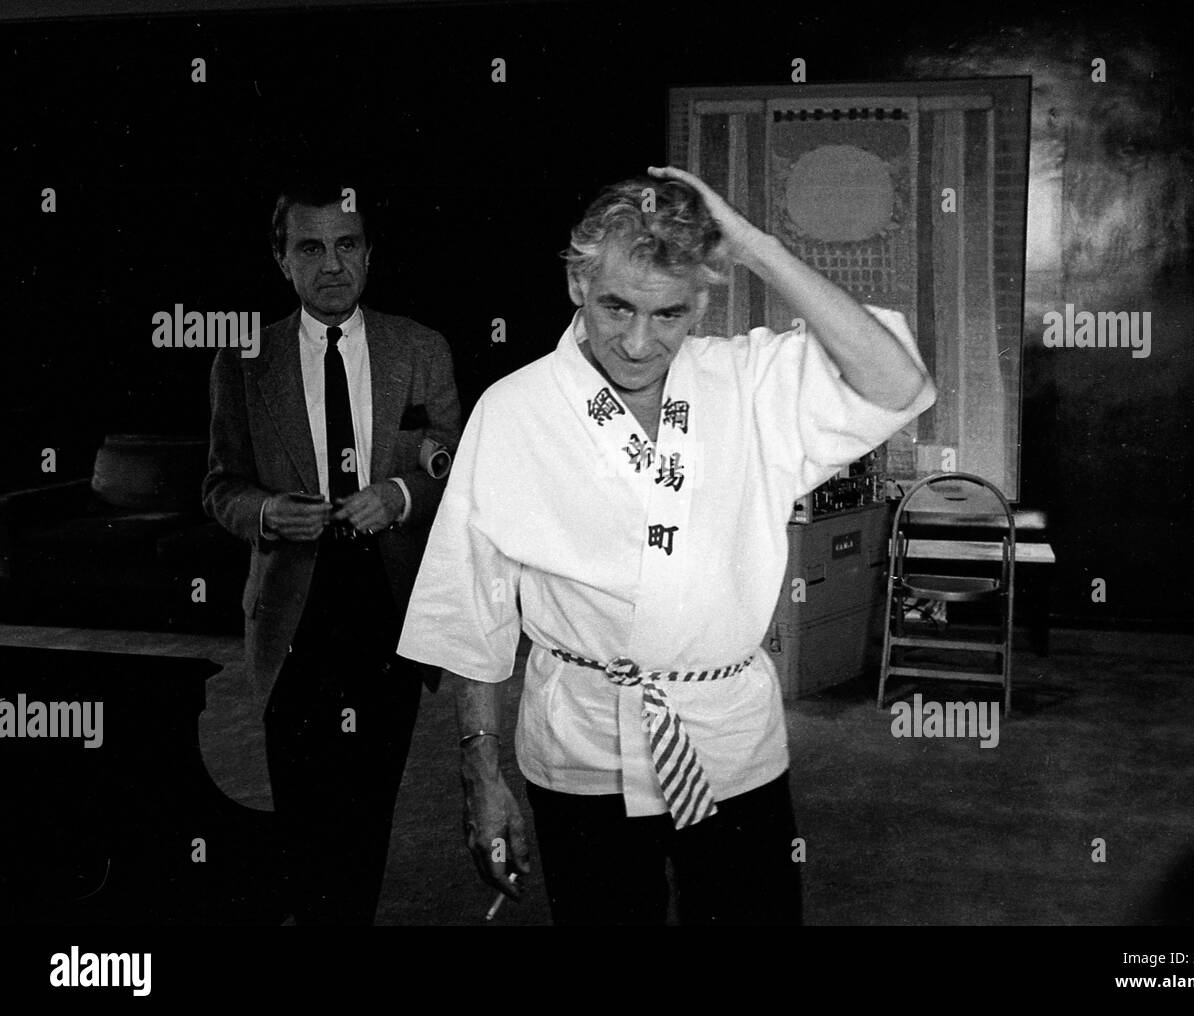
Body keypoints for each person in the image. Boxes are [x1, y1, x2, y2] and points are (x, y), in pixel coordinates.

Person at [397, 165, 935, 925]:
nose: (640, 342)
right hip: (583, 746)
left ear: (702, 303)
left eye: (670, 315)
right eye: (617, 306)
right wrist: (479, 770)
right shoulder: (514, 412)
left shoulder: (747, 382)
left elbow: (897, 381)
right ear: (578, 284)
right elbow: (470, 606)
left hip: (730, 742)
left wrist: (753, 244)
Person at [202, 181, 461, 924]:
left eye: (347, 245)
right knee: (304, 803)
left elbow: (455, 462)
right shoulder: (244, 362)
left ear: (369, 253)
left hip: (390, 612)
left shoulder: (421, 348)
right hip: (294, 616)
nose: (332, 264)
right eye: (310, 248)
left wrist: (403, 495)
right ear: (282, 261)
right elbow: (219, 486)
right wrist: (268, 513)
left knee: (371, 803)